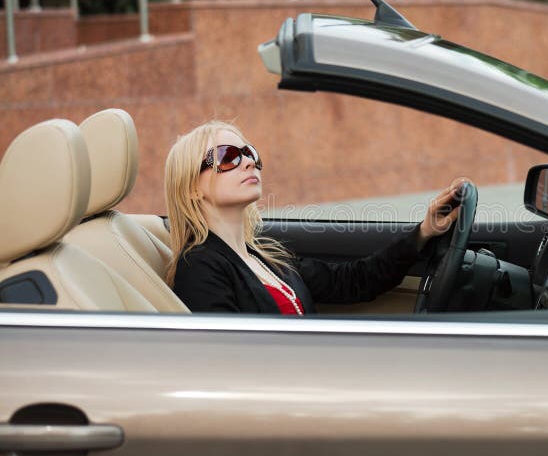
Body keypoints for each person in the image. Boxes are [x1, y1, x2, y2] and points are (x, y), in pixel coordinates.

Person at [164, 121, 464, 315]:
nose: (248, 163)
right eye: (228, 156)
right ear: (192, 189)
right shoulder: (199, 267)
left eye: (250, 153)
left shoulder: (267, 257)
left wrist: (424, 231)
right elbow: (227, 361)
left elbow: (355, 280)